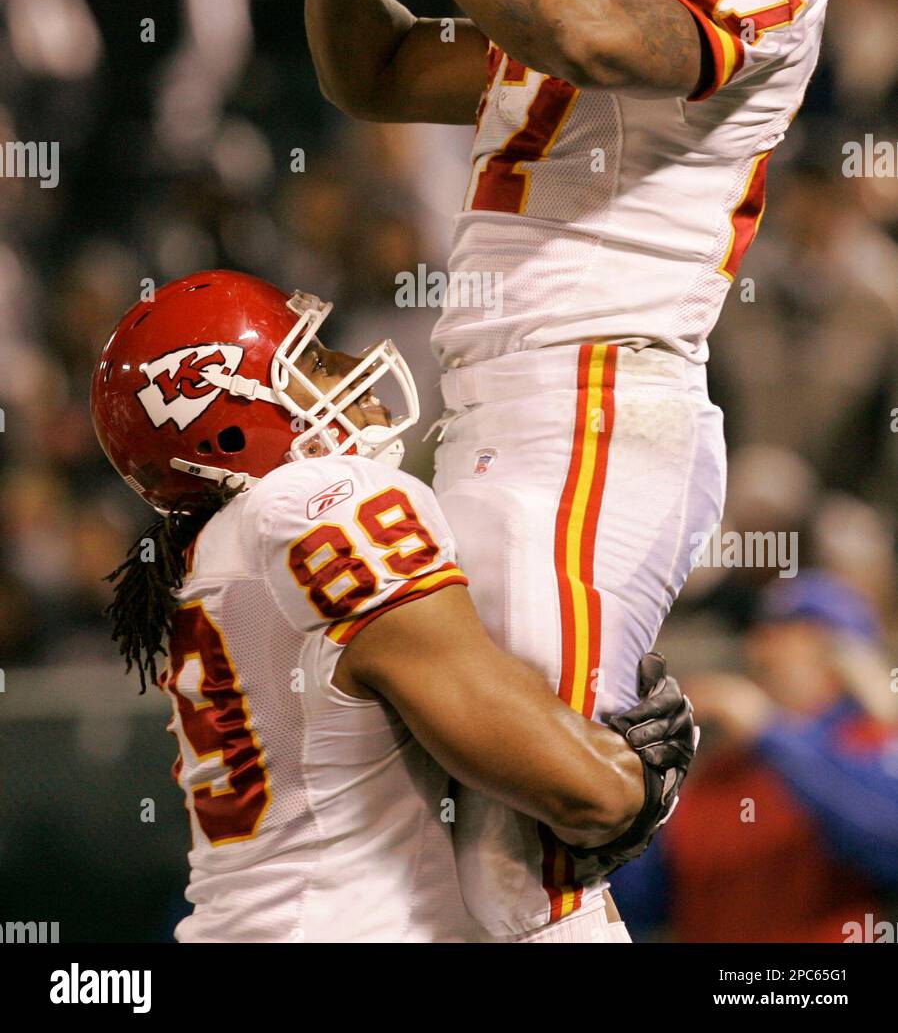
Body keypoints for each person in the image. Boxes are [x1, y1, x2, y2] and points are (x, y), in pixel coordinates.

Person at [250, 0, 834, 942]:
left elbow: (597, 39)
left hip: (594, 404)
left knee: (530, 863)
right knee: (467, 852)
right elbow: (380, 75)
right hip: (512, 412)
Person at [91, 269, 697, 944]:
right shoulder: (313, 502)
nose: (351, 367)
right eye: (314, 361)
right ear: (224, 424)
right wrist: (644, 786)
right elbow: (582, 792)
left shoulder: (214, 552)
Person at [613, 573, 898, 942]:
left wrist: (767, 730)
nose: (764, 649)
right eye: (764, 633)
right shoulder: (720, 771)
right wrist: (634, 786)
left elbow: (887, 840)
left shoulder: (872, 745)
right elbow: (639, 904)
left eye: (793, 635)